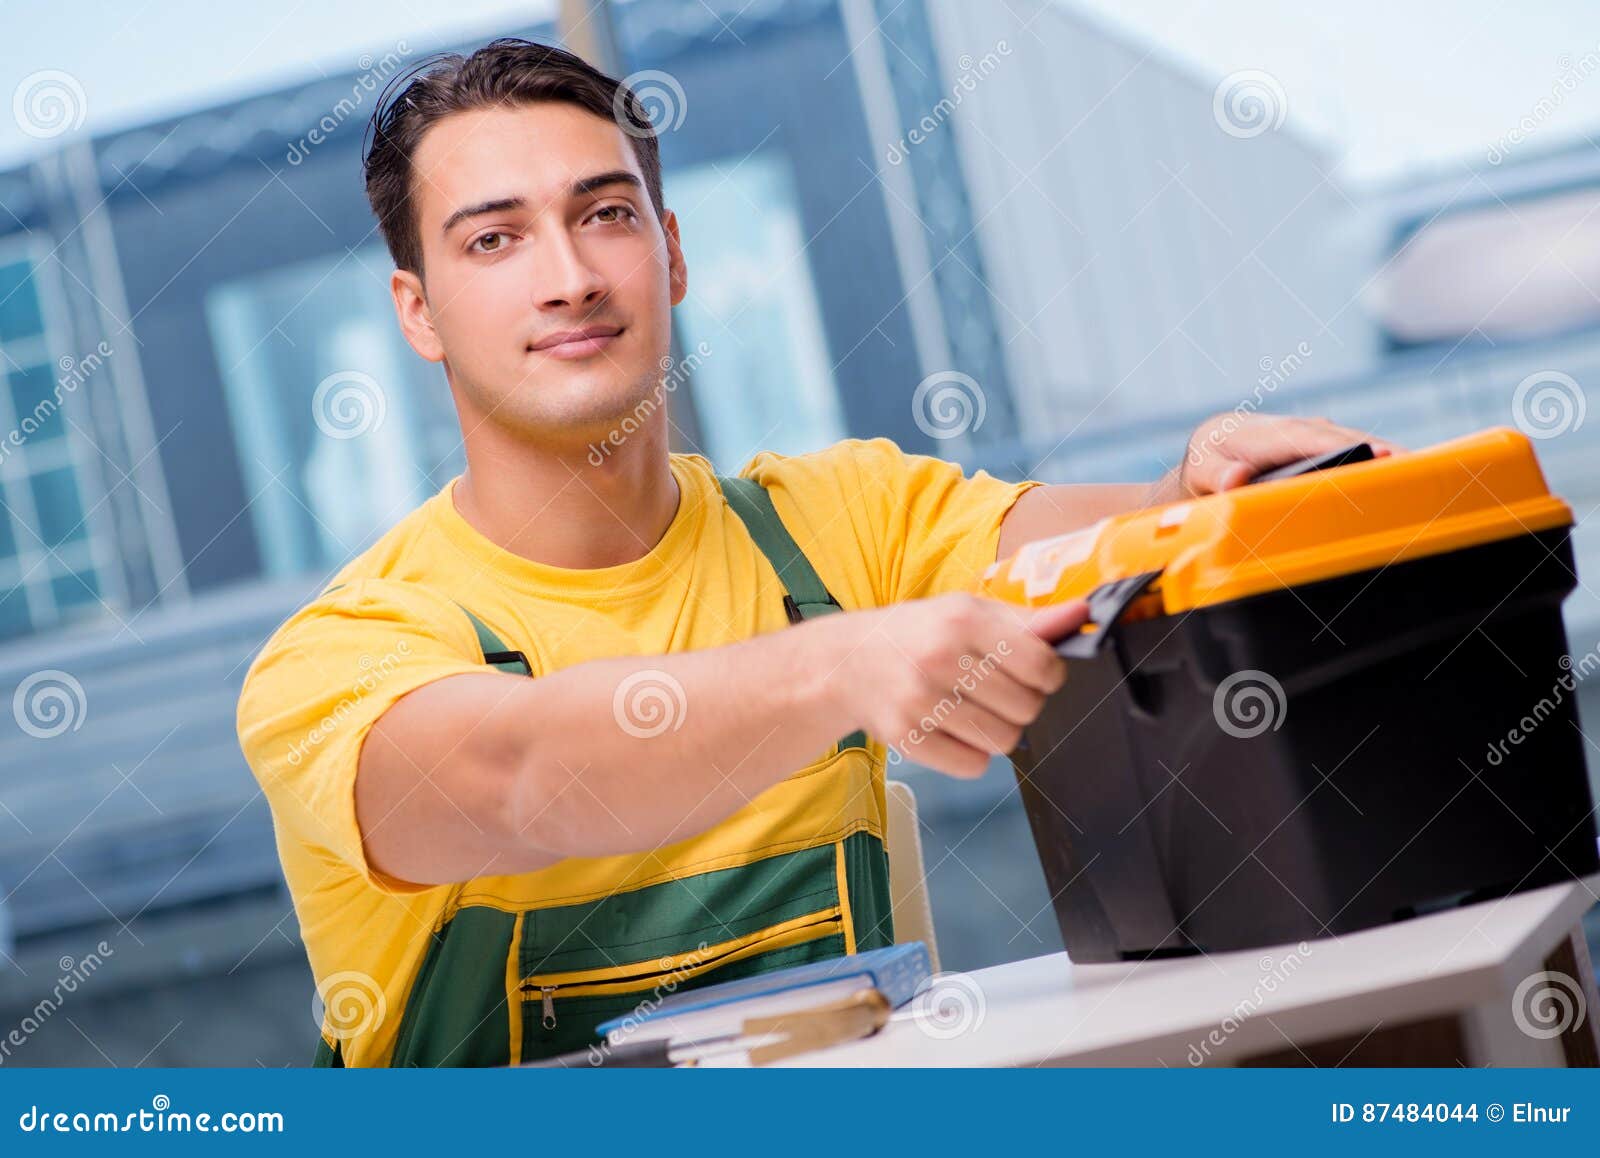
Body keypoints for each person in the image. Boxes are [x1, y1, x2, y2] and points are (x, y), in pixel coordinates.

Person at [236, 37, 1395, 1067]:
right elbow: (514, 778)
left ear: (671, 253)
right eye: (494, 240)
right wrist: (841, 667)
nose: (571, 276)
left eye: (606, 213)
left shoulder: (835, 525)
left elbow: (1107, 544)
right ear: (418, 310)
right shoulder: (343, 655)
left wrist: (1193, 489)